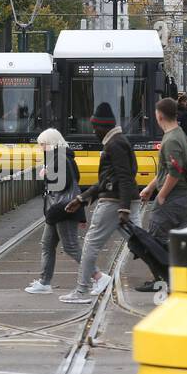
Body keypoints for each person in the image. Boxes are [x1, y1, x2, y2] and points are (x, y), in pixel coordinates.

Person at [60, 102, 138, 304]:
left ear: (104, 126)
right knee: (139, 243)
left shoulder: (115, 144)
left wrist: (123, 207)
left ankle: (81, 290)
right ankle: (164, 276)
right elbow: (112, 178)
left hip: (113, 202)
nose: (94, 131)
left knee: (90, 244)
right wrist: (82, 198)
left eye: (96, 127)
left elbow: (125, 176)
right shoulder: (117, 142)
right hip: (117, 201)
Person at [136, 97, 187, 291]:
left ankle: (161, 280)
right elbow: (166, 169)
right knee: (178, 240)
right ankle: (177, 277)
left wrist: (161, 195)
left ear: (159, 115)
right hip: (184, 196)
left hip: (174, 198)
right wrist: (150, 187)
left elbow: (174, 172)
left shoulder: (172, 140)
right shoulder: (177, 135)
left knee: (153, 239)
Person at [25, 127, 84, 294]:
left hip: (62, 209)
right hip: (56, 210)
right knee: (47, 244)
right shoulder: (61, 157)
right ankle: (44, 282)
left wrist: (47, 174)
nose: (41, 148)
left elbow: (63, 185)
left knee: (71, 246)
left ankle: (97, 276)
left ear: (51, 143)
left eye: (43, 144)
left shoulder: (61, 159)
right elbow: (76, 180)